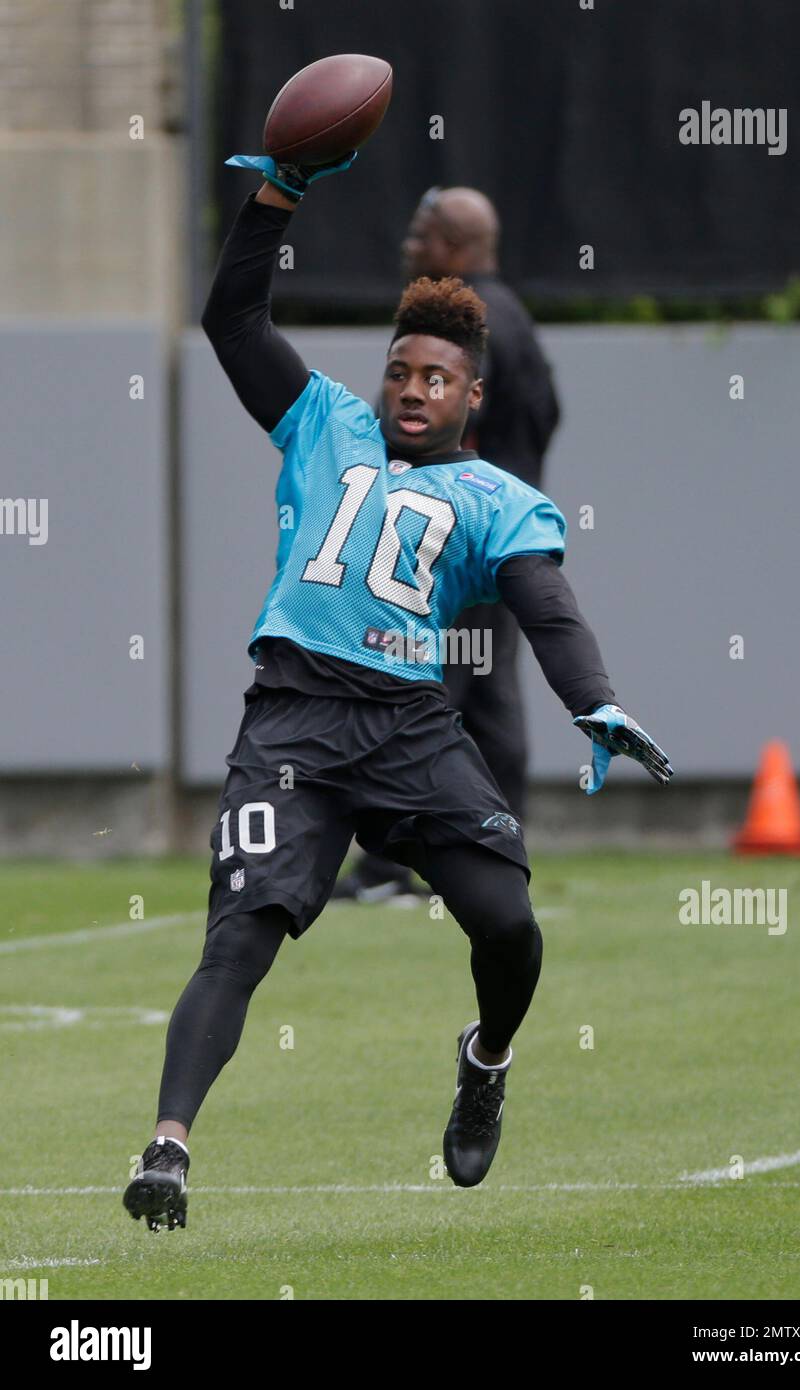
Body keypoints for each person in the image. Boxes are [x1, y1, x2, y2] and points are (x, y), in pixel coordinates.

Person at [123, 149, 672, 1232]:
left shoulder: (492, 496)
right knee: (240, 936)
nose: (412, 391)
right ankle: (168, 1146)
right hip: (293, 718)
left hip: (411, 726)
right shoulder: (322, 421)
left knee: (507, 926)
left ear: (474, 393)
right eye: (400, 371)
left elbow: (543, 606)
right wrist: (275, 194)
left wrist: (592, 698)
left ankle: (486, 1058)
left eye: (436, 379)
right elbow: (234, 317)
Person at [334, 186, 561, 904]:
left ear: (457, 248)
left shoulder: (468, 325)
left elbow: (410, 425)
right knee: (487, 699)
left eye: (422, 235)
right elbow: (547, 415)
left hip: (451, 543)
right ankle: (497, 854)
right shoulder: (514, 316)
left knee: (414, 693)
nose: (409, 247)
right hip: (495, 538)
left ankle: (388, 864)